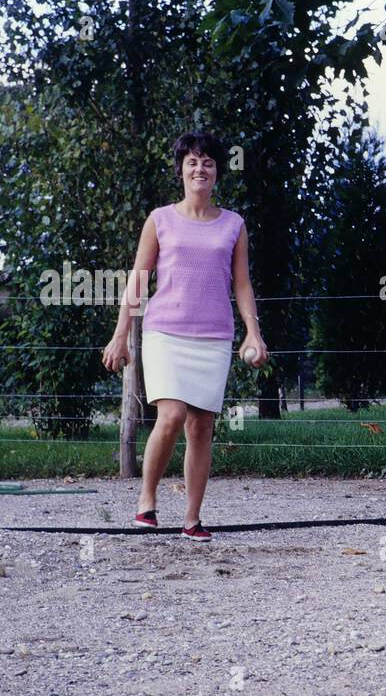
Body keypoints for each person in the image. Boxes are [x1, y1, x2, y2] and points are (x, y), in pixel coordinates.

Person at [101, 131, 268, 541]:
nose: (200, 168)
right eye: (192, 162)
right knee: (172, 416)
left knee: (201, 427)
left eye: (208, 162)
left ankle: (192, 519)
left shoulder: (234, 225)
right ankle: (146, 500)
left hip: (213, 338)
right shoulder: (160, 219)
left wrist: (253, 333)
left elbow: (242, 285)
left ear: (216, 173)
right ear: (181, 170)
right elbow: (138, 281)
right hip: (165, 333)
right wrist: (120, 334)